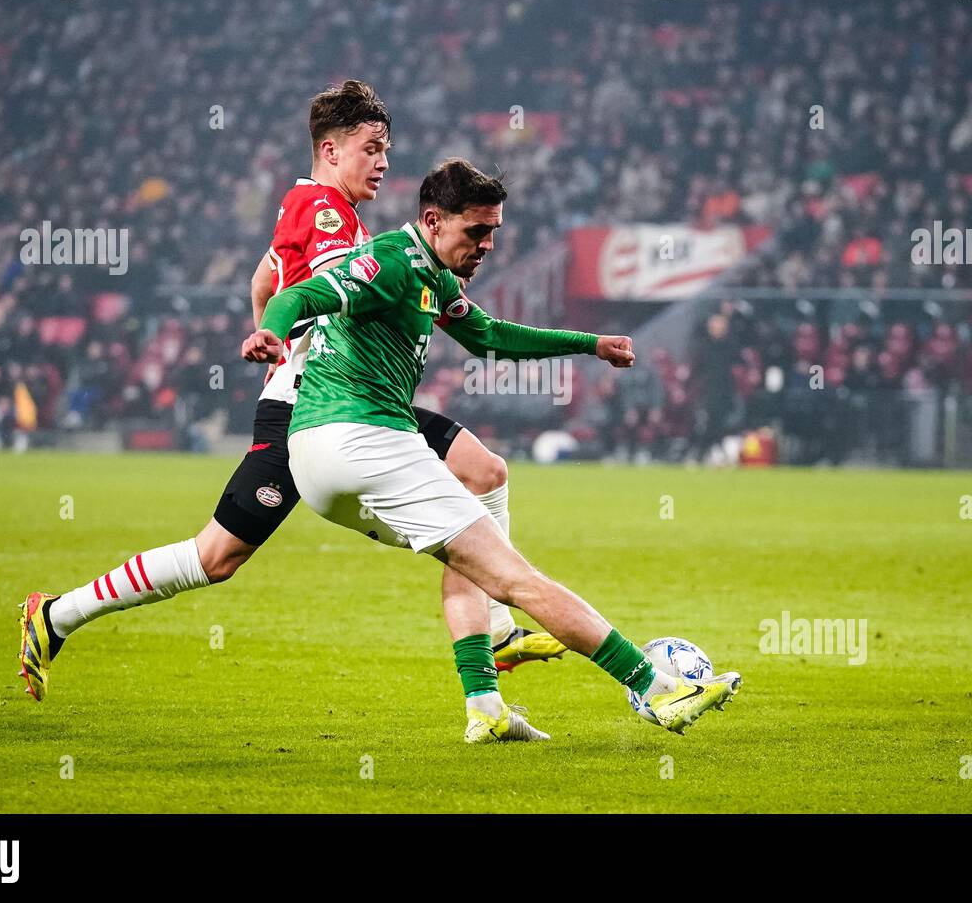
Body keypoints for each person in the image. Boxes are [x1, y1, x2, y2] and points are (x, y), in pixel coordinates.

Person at [16, 82, 560, 701]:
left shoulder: (316, 207)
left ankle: (495, 633)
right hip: (313, 407)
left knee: (482, 472)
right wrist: (287, 348)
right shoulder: (327, 210)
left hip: (349, 400)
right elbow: (321, 293)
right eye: (371, 148)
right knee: (215, 556)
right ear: (331, 149)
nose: (383, 162)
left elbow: (264, 279)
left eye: (387, 150)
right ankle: (56, 615)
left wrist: (271, 337)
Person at [241, 159, 741, 742]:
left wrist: (590, 344)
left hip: (322, 463)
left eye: (494, 232)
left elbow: (491, 336)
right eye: (476, 232)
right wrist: (270, 330)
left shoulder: (435, 278)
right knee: (517, 577)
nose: (487, 246)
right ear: (432, 220)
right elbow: (301, 293)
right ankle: (658, 690)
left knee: (471, 537)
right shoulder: (391, 263)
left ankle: (485, 705)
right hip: (366, 442)